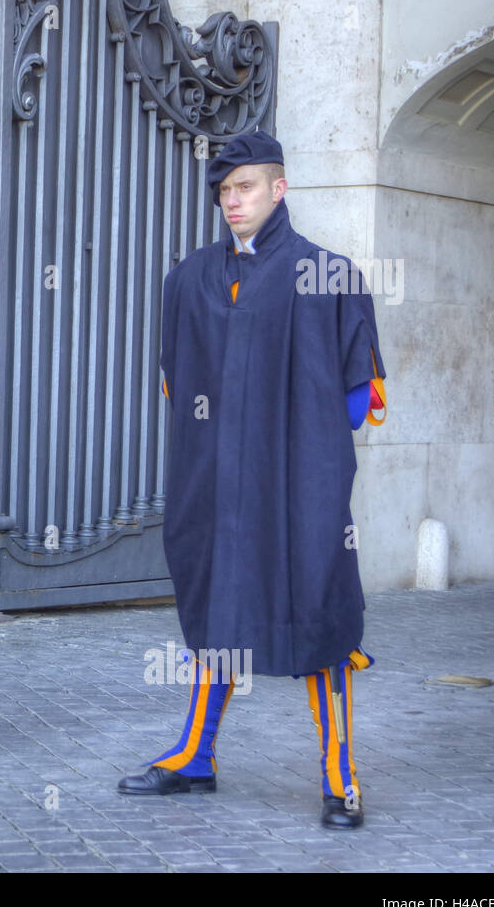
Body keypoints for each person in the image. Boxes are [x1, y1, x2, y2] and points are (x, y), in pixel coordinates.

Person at [116, 131, 387, 829]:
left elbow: (358, 397)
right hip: (215, 484)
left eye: (245, 188)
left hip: (300, 483)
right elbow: (178, 386)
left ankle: (339, 776)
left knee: (318, 610)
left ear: (279, 188)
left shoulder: (330, 275)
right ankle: (195, 755)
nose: (231, 202)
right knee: (219, 609)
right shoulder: (188, 279)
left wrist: (295, 435)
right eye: (223, 191)